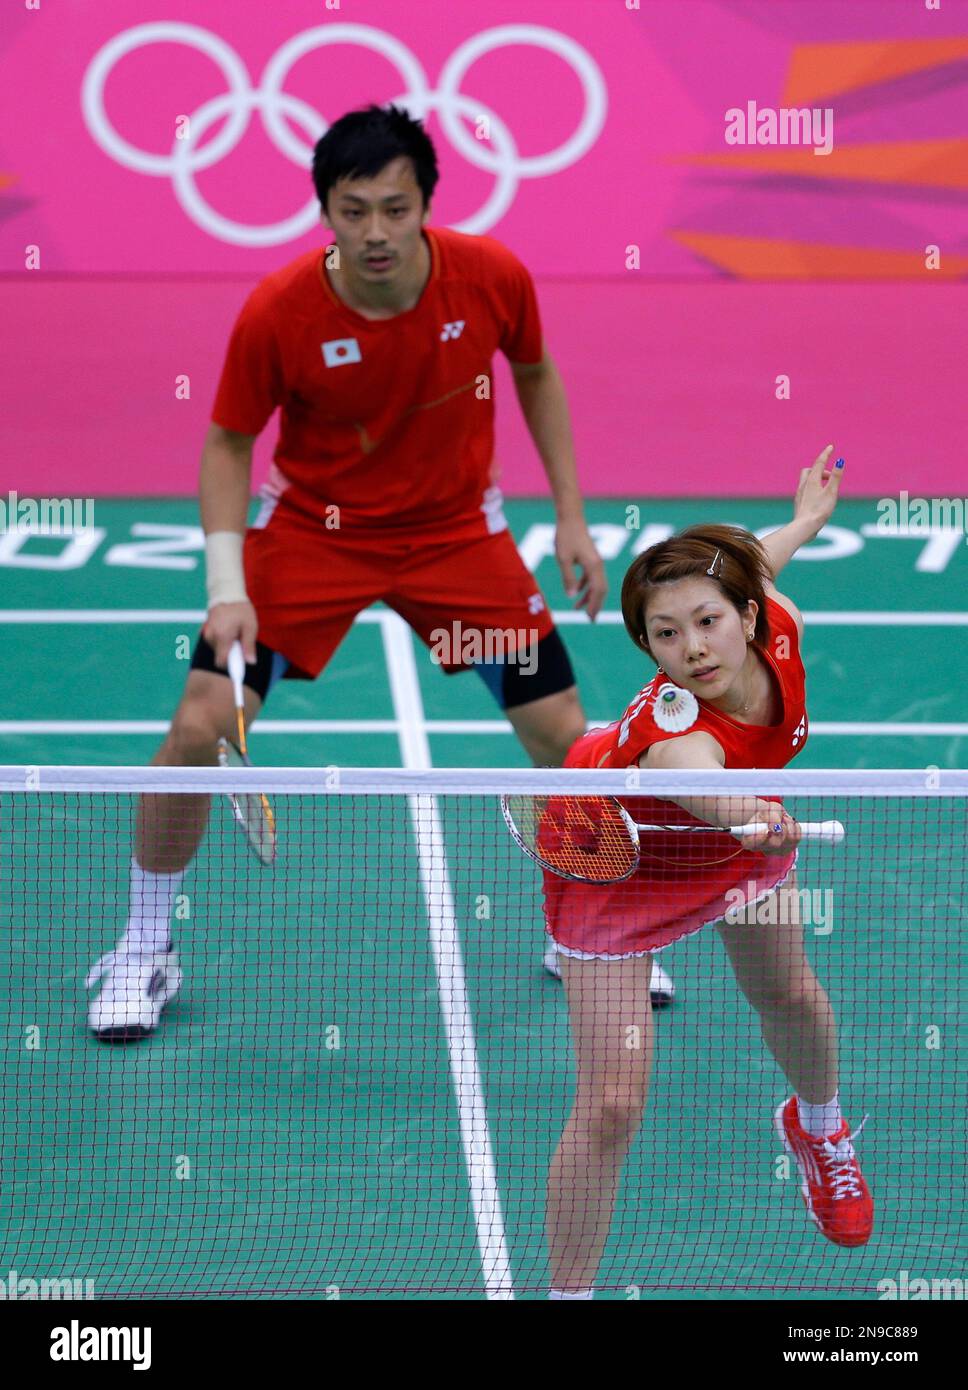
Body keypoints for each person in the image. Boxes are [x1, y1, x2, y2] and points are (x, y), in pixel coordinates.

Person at [85, 102, 671, 1040]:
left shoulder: (491, 277)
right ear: (325, 211)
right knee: (199, 725)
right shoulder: (281, 310)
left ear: (427, 203)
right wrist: (225, 588)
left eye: (395, 209)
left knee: (563, 732)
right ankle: (145, 947)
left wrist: (571, 518)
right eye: (354, 211)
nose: (377, 233)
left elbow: (536, 374)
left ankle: (587, 927)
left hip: (452, 537)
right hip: (314, 536)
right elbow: (230, 443)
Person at [543, 448, 874, 1300]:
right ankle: (567, 1296)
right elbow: (690, 783)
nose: (690, 648)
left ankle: (820, 1129)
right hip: (616, 860)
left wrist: (804, 520)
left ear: (749, 617)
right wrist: (748, 816)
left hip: (738, 851)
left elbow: (759, 561)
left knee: (790, 995)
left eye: (706, 621)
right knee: (612, 1105)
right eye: (664, 635)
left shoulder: (779, 619)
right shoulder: (679, 730)